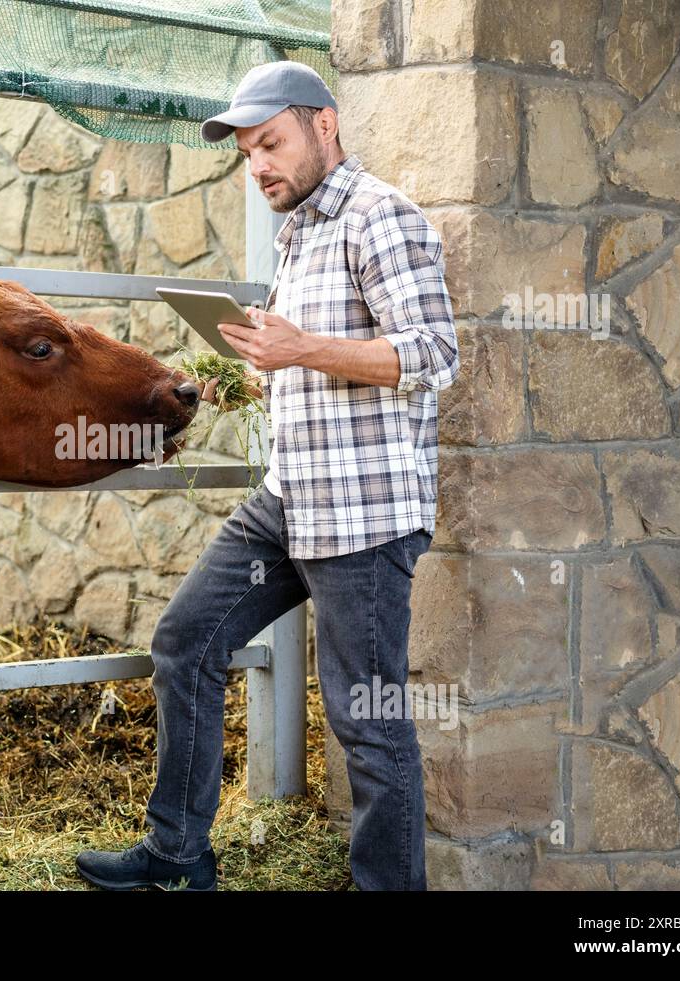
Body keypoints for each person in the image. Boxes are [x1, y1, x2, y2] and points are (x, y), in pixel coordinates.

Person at [75, 60, 460, 891]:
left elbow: (432, 355)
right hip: (290, 499)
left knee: (368, 722)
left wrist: (300, 348)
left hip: (361, 517)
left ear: (325, 125)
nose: (259, 167)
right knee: (187, 640)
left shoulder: (380, 217)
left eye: (271, 145)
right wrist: (248, 367)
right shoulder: (298, 232)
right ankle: (178, 855)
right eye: (249, 153)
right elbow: (305, 358)